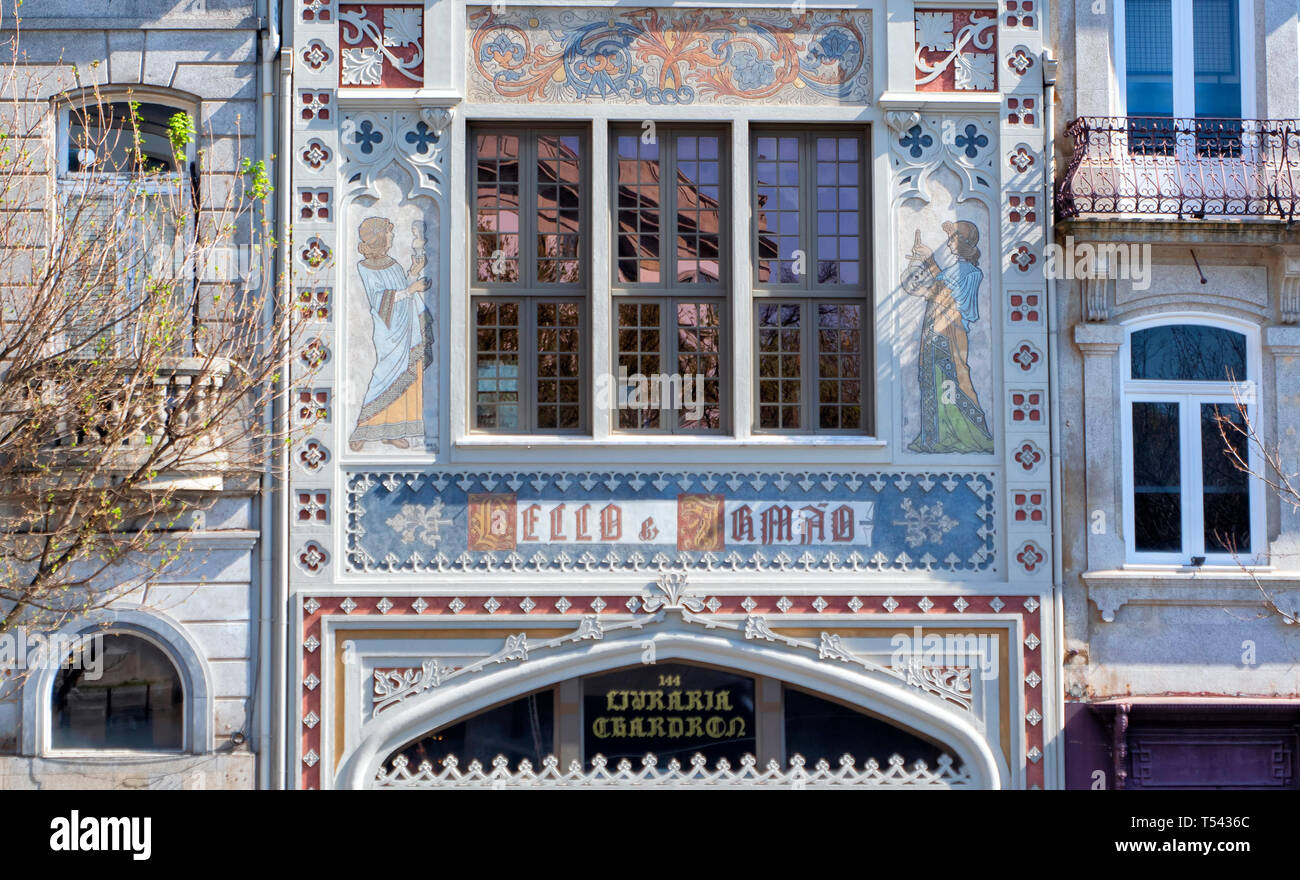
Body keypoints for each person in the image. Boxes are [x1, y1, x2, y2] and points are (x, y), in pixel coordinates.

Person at [903, 220, 994, 454]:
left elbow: (941, 292)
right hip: (938, 334)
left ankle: (964, 435)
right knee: (936, 381)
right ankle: (936, 436)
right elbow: (940, 285)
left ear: (964, 243)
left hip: (948, 336)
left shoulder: (969, 271)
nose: (949, 242)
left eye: (953, 238)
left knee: (953, 380)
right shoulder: (959, 270)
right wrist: (929, 262)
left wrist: (927, 262)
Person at [349, 216, 434, 451]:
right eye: (388, 233)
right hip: (389, 331)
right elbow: (380, 300)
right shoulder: (365, 267)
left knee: (409, 376)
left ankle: (394, 430)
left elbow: (401, 289)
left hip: (407, 327)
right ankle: (363, 428)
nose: (392, 236)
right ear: (378, 238)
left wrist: (413, 274)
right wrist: (411, 289)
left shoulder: (393, 264)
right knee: (384, 375)